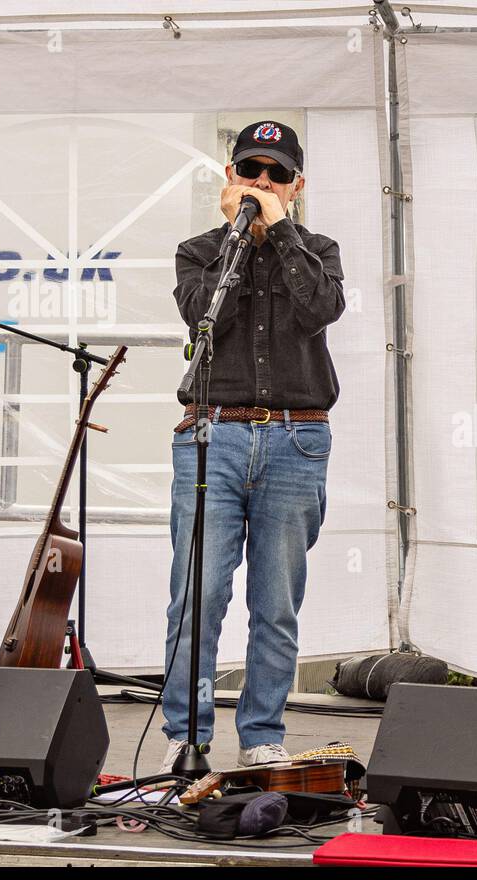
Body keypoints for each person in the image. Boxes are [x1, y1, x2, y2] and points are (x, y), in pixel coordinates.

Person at [159, 120, 346, 773]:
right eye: (249, 171)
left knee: (275, 597)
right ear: (230, 178)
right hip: (215, 431)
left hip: (298, 437)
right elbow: (206, 312)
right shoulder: (200, 250)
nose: (260, 183)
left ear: (296, 185)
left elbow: (319, 308)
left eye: (275, 174)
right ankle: (187, 733)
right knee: (200, 590)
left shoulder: (318, 248)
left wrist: (282, 232)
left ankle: (263, 729)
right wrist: (240, 242)